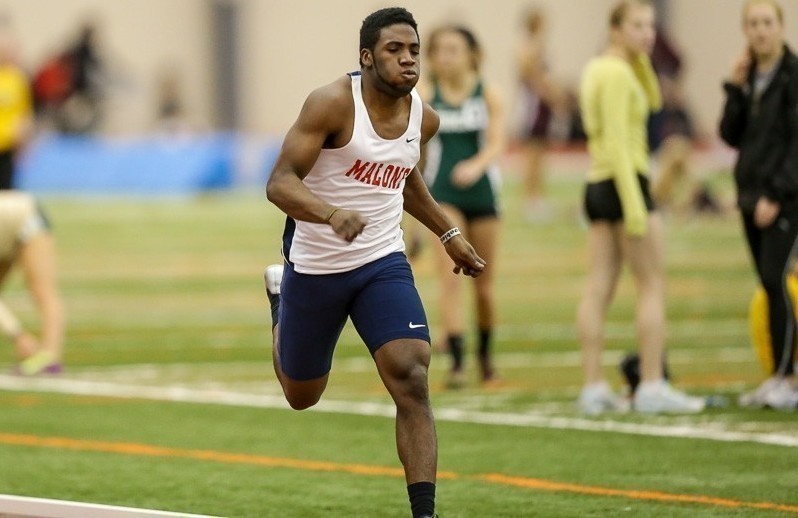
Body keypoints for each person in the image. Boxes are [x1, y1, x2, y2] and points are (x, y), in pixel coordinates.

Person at [263, 8, 485, 518]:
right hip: (317, 266)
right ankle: (280, 305)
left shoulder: (424, 118)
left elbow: (406, 180)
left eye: (414, 51)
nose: (408, 60)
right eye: (394, 50)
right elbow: (279, 182)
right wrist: (330, 213)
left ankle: (424, 513)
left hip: (382, 262)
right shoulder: (331, 104)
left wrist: (448, 234)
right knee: (302, 394)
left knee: (411, 373)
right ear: (366, 58)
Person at [576, 0, 704, 415]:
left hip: (598, 184)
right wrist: (635, 207)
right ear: (616, 29)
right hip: (624, 180)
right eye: (637, 26)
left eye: (650, 26)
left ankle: (593, 386)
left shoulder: (603, 67)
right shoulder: (614, 73)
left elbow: (652, 103)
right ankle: (651, 383)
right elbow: (615, 139)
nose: (647, 33)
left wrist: (643, 61)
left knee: (600, 285)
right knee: (650, 285)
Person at [720, 0, 798, 410]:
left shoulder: (793, 75)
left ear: (781, 27)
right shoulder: (750, 76)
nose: (760, 30)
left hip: (783, 199)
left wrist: (777, 194)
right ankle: (776, 375)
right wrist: (734, 88)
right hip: (750, 197)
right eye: (753, 23)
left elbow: (795, 144)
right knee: (767, 286)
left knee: (776, 278)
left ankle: (786, 377)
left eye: (767, 22)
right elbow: (730, 135)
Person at [419, 26, 505, 388]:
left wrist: (476, 165)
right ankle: (456, 363)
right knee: (450, 280)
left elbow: (498, 142)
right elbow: (415, 149)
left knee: (483, 285)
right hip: (443, 197)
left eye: (454, 50)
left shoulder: (488, 93)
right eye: (439, 50)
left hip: (483, 196)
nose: (445, 57)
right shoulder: (425, 93)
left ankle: (485, 357)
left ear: (472, 53)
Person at [0, 192, 65, 375]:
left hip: (27, 219)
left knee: (42, 290)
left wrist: (17, 336)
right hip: (5, 232)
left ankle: (50, 357)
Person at [516, 7, 562, 224]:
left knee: (541, 152)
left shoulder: (536, 47)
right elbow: (530, 77)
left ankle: (538, 196)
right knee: (533, 153)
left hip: (541, 104)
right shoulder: (529, 48)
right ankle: (530, 198)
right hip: (535, 105)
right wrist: (550, 94)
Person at [0, 28, 33, 190]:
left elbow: (24, 112)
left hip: (7, 143)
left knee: (6, 188)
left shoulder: (17, 79)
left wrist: (23, 143)